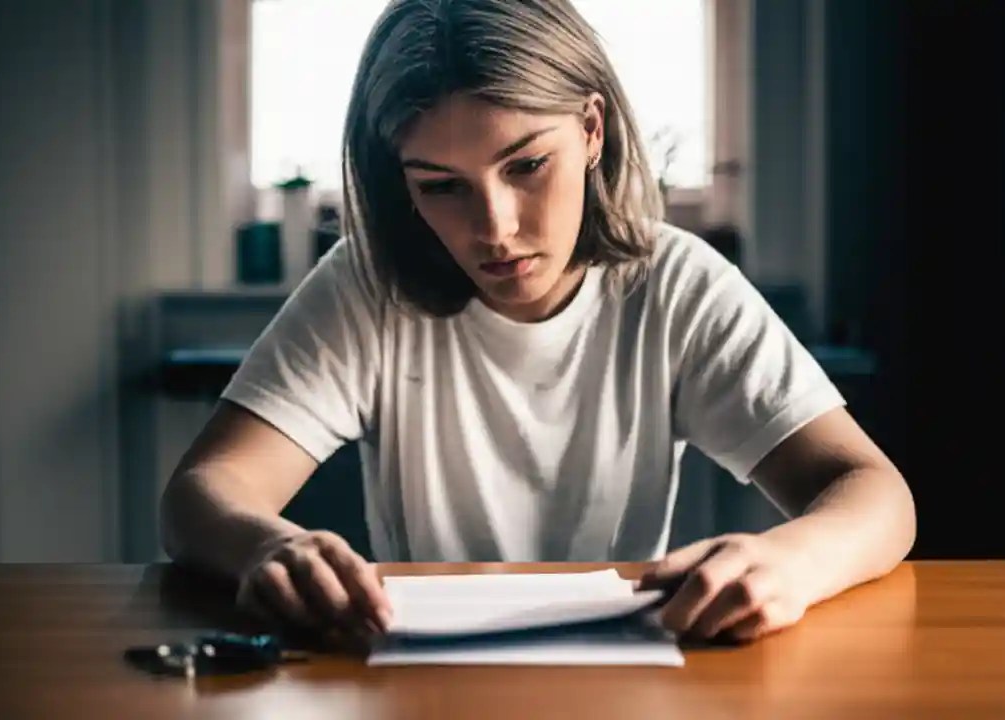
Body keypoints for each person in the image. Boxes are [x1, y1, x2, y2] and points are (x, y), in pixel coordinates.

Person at [160, 0, 915, 646]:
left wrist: (791, 563)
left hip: (626, 676)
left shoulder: (677, 282)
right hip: (424, 686)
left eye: (526, 167)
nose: (495, 227)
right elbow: (204, 489)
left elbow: (874, 492)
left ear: (591, 130)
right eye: (442, 186)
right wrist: (271, 547)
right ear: (403, 185)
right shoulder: (369, 284)